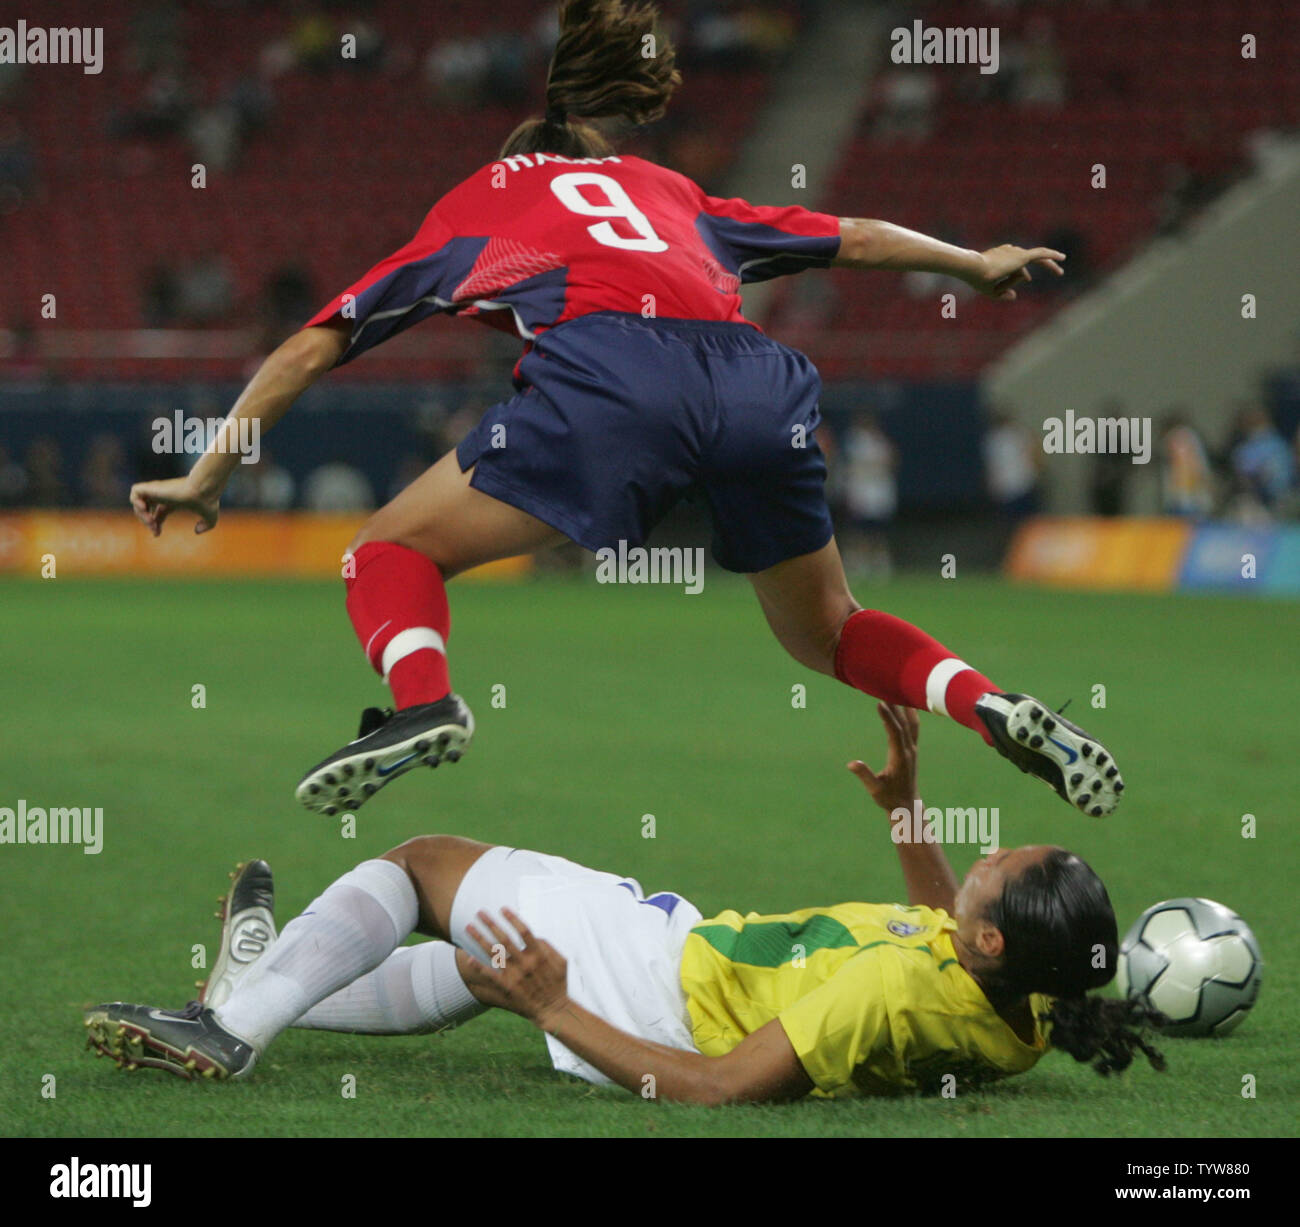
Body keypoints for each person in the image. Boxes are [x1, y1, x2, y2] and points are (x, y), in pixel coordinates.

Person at [126, 0, 1120, 821]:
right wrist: (973, 261)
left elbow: (313, 344)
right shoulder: (668, 189)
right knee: (826, 630)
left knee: (388, 553)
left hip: (615, 374)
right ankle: (983, 701)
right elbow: (851, 236)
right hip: (754, 376)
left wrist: (208, 473)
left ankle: (421, 707)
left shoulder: (485, 199)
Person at [84, 704, 1164, 1102]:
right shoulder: (1022, 1015)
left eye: (1014, 859)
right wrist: (905, 812)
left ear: (993, 934)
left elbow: (720, 1087)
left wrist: (558, 1009)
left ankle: (230, 1028)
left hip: (669, 983)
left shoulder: (888, 986)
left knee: (423, 865)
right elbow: (940, 931)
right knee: (473, 966)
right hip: (676, 959)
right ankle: (255, 986)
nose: (1007, 846)